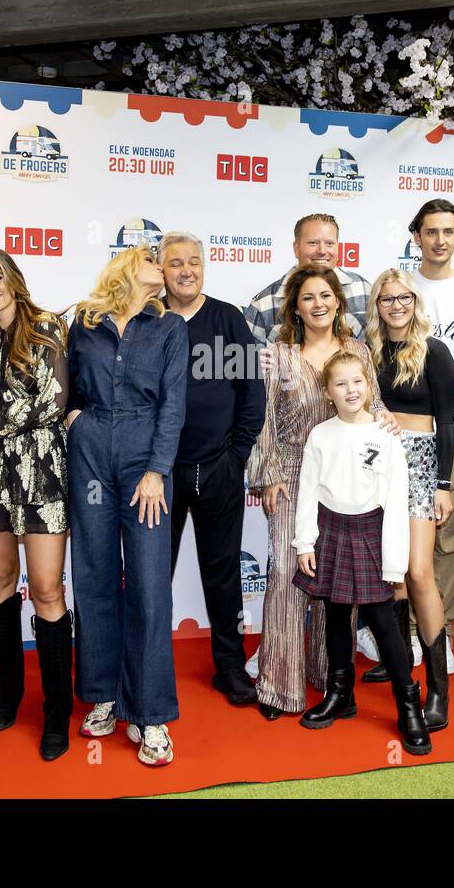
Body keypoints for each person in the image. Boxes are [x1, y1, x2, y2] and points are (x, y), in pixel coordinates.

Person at [246, 266, 396, 721]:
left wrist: (386, 419)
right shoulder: (278, 355)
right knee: (289, 575)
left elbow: (372, 402)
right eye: (307, 297)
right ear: (295, 306)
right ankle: (279, 685)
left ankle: (330, 680)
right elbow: (265, 417)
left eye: (326, 295)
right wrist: (268, 475)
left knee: (337, 586)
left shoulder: (357, 350)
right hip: (293, 474)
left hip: (347, 479)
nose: (318, 304)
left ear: (337, 301)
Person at [67, 244, 188, 766]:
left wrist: (158, 471)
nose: (164, 269)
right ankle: (102, 695)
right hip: (90, 451)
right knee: (93, 575)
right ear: (127, 267)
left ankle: (151, 713)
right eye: (154, 261)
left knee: (146, 582)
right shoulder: (84, 321)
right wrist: (73, 417)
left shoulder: (169, 328)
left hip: (144, 457)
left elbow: (173, 404)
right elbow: (65, 381)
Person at [0, 247, 73, 761]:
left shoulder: (46, 325)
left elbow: (51, 401)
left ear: (14, 278)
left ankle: (57, 710)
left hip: (42, 471)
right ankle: (9, 692)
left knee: (48, 589)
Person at [292, 351, 430, 755]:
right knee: (335, 613)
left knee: (383, 620)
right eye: (340, 384)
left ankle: (409, 706)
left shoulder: (386, 433)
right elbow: (309, 491)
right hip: (331, 530)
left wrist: (394, 563)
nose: (351, 390)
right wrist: (305, 542)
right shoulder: (320, 434)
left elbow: (395, 499)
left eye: (358, 382)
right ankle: (341, 696)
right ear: (327, 392)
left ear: (369, 386)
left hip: (372, 531)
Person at [159, 232, 264, 707]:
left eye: (194, 262)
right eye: (176, 263)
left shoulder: (227, 319)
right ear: (161, 270)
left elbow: (251, 392)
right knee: (152, 572)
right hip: (157, 476)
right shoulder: (149, 318)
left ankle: (229, 666)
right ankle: (148, 665)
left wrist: (236, 454)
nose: (186, 271)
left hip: (218, 469)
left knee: (222, 574)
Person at [361, 268, 454, 730]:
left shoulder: (434, 352)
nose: (396, 305)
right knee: (391, 571)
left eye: (403, 298)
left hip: (419, 461)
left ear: (415, 302)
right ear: (376, 305)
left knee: (419, 571)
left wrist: (442, 485)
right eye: (386, 299)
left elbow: (446, 423)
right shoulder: (370, 351)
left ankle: (439, 688)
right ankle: (402, 671)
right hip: (378, 462)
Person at [406, 199, 454, 674]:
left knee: (448, 540)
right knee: (401, 541)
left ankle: (442, 636)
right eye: (430, 231)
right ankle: (401, 634)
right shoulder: (397, 287)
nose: (439, 239)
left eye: (448, 231)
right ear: (416, 237)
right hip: (403, 436)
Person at [242, 213, 371, 346]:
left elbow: (378, 351)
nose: (322, 250)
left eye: (329, 243)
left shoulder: (363, 291)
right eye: (313, 243)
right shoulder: (264, 303)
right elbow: (249, 361)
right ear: (296, 248)